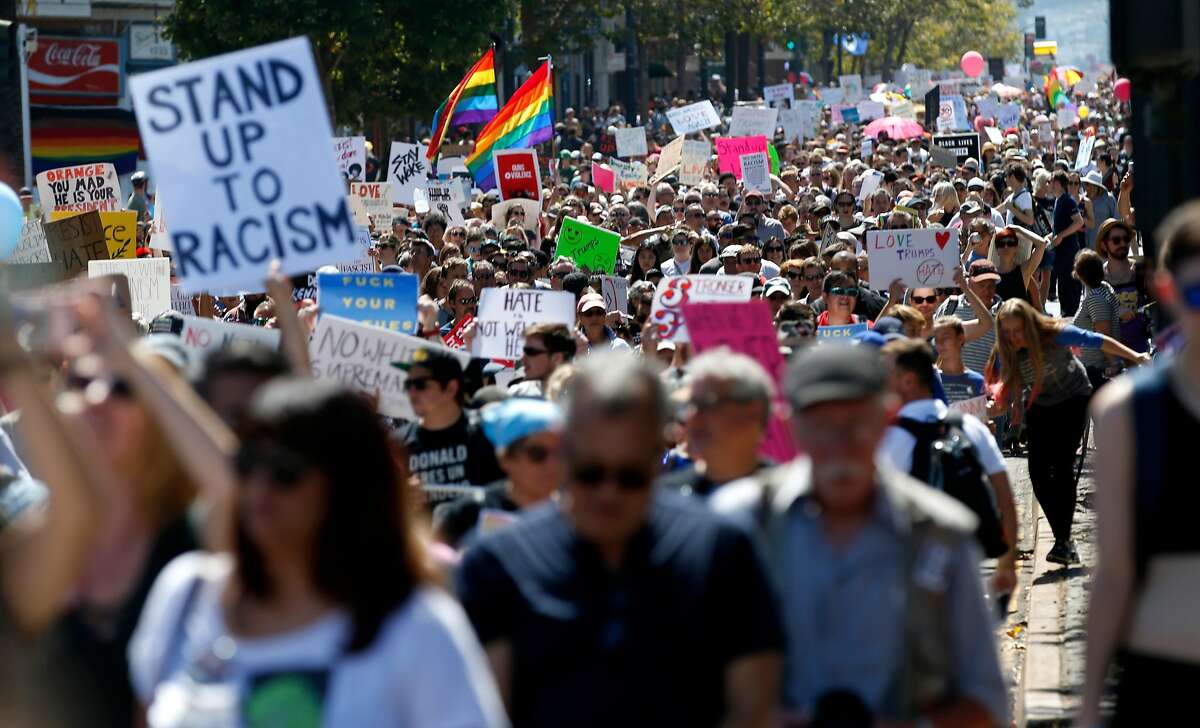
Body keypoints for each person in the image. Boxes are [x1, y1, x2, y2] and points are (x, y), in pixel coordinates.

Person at [128, 379, 507, 727]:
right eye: (247, 465)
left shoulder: (416, 627)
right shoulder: (187, 595)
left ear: (348, 488)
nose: (259, 488)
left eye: (285, 472)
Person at [456, 352, 785, 728]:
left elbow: (753, 708)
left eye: (629, 477)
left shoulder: (721, 549)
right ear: (566, 453)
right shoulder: (499, 563)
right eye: (591, 474)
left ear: (655, 457)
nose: (608, 493)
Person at [711, 344, 1007, 726]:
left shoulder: (940, 533)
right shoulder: (739, 526)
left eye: (857, 423)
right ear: (789, 425)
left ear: (887, 418)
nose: (840, 443)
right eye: (821, 424)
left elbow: (985, 699)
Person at [1078, 201, 1200, 725]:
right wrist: (1087, 706)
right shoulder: (1128, 411)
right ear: (1167, 291)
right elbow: (1114, 571)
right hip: (1161, 680)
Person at [986, 299, 1149, 565]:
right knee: (1038, 473)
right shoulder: (1007, 352)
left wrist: (1136, 356)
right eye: (1008, 332)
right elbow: (1004, 392)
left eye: (1019, 330)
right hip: (1041, 402)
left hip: (1074, 397)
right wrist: (993, 408)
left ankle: (1063, 541)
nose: (1015, 337)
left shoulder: (1053, 333)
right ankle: (1063, 539)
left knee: (1061, 467)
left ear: (1030, 325)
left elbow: (1097, 340)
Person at [877, 338, 1018, 597]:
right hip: (966, 567)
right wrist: (1006, 565)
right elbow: (1005, 498)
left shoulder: (887, 439)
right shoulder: (970, 426)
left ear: (907, 381)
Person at [433, 397, 564, 549]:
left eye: (561, 452)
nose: (552, 464)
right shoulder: (468, 515)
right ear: (505, 459)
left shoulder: (579, 512)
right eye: (538, 454)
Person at [657, 350, 776, 498]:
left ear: (751, 413)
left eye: (706, 405)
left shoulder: (791, 499)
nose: (691, 417)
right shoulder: (666, 497)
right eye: (690, 405)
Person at [395, 347, 504, 488]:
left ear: (450, 388)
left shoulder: (489, 433)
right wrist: (403, 495)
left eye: (420, 385)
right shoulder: (397, 444)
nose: (412, 393)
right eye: (408, 385)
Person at [1096, 217, 1151, 355]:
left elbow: (1157, 307)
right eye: (1116, 240)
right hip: (1111, 356)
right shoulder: (1097, 278)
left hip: (1142, 352)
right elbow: (1094, 317)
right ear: (1104, 245)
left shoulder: (1140, 271)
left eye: (1126, 239)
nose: (1122, 243)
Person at [1071, 249, 1122, 390]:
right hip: (1094, 368)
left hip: (1098, 370)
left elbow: (1103, 334)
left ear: (1080, 273)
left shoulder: (1095, 298)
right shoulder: (1104, 288)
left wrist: (1114, 365)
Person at [1048, 170, 1087, 316]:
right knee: (1063, 286)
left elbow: (1079, 222)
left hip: (1069, 252)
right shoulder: (1058, 200)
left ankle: (1071, 317)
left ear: (1058, 183)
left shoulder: (1068, 200)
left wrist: (1061, 236)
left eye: (1051, 181)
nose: (1049, 184)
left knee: (1070, 286)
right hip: (1060, 253)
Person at [509, 323, 575, 398]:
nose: (523, 360)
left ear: (557, 358)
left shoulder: (580, 399)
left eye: (531, 352)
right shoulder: (516, 394)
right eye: (524, 352)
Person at [932, 316, 986, 404]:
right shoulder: (929, 379)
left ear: (960, 338)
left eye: (945, 337)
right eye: (936, 339)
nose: (940, 343)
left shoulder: (978, 381)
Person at [989, 225, 1047, 305]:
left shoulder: (1024, 271)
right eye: (1001, 244)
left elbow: (1042, 244)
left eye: (1010, 243)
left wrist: (1018, 229)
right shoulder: (990, 274)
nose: (1006, 247)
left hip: (1019, 316)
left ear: (1016, 248)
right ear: (997, 249)